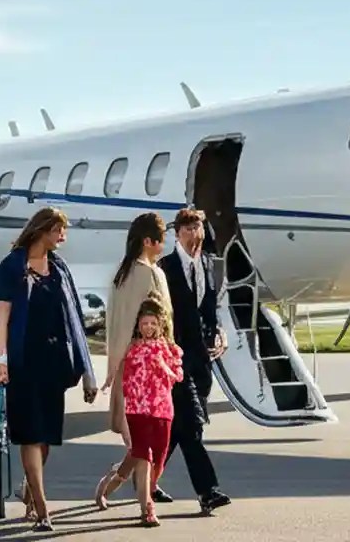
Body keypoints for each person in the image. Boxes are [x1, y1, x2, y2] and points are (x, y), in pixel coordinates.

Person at [0, 206, 98, 532]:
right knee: (30, 435)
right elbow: (2, 320)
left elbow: (75, 320)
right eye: (58, 230)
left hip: (53, 365)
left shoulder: (59, 267)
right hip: (22, 365)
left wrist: (87, 372)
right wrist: (1, 363)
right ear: (42, 230)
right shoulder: (12, 266)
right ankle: (42, 510)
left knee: (46, 439)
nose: (63, 236)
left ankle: (30, 490)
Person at [155, 207, 231, 513]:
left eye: (197, 228)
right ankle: (207, 491)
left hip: (202, 359)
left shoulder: (210, 264)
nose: (193, 234)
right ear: (177, 234)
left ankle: (144, 476)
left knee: (179, 428)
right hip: (175, 359)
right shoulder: (165, 268)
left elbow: (211, 308)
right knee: (192, 425)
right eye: (187, 229)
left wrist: (220, 332)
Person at [92, 212, 170, 508]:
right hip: (148, 371)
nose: (164, 245)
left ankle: (114, 485)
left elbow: (116, 325)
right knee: (144, 444)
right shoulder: (151, 275)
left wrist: (114, 368)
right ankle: (145, 503)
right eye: (162, 239)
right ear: (149, 241)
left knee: (139, 443)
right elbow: (164, 324)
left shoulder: (121, 275)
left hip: (126, 365)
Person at [110, 293, 183, 527]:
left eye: (152, 323)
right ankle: (147, 508)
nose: (148, 328)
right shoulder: (133, 348)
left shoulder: (169, 349)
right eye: (144, 323)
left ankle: (140, 486)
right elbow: (126, 380)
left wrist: (163, 366)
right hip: (137, 411)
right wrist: (127, 402)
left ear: (160, 325)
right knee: (144, 457)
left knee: (159, 458)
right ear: (138, 325)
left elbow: (177, 376)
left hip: (162, 410)